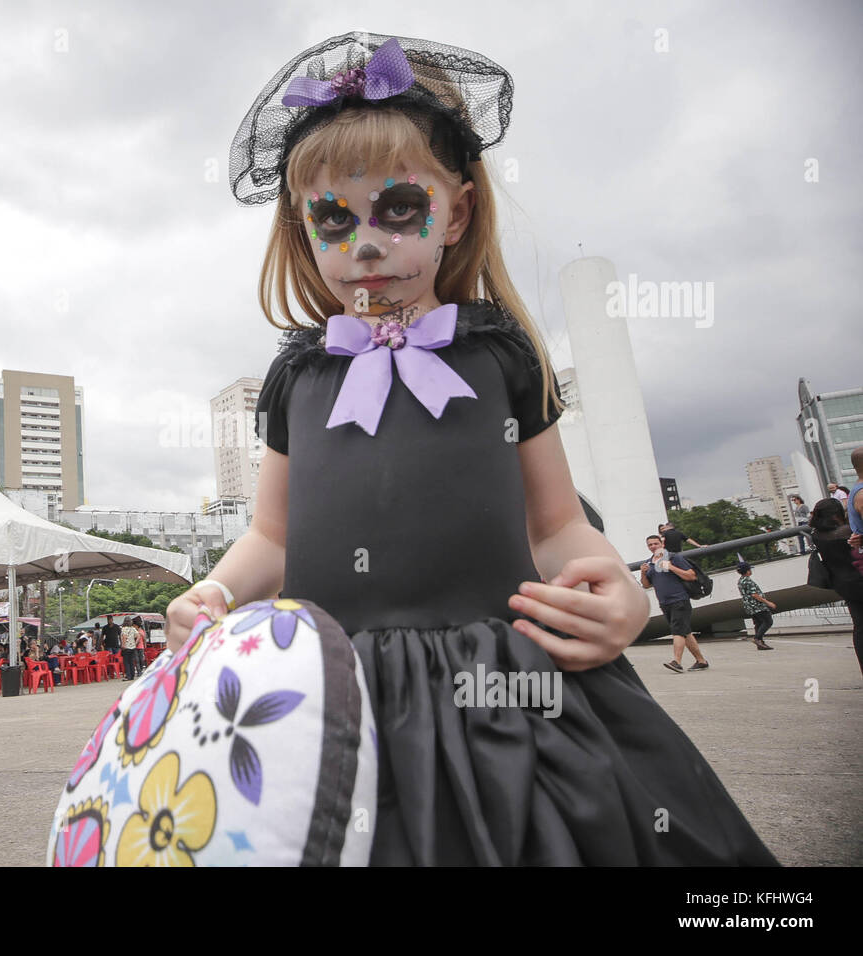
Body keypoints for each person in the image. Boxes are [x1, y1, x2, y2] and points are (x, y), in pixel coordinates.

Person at [159, 31, 777, 866]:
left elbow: (556, 523)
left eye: (399, 208)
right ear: (302, 229)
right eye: (332, 218)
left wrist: (623, 595)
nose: (366, 243)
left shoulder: (500, 356)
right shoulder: (297, 379)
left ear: (458, 210)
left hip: (508, 686)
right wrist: (212, 592)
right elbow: (271, 537)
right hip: (335, 697)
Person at [808, 497, 863, 673]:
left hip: (843, 585)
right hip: (859, 578)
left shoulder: (816, 535)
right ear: (836, 514)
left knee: (860, 627)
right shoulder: (847, 532)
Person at [640, 535, 708, 672]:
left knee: (677, 630)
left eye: (655, 543)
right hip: (664, 603)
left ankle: (676, 661)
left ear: (662, 544)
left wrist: (671, 567)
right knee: (685, 632)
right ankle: (701, 661)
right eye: (650, 545)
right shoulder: (649, 563)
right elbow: (646, 585)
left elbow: (691, 575)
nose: (653, 546)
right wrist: (643, 573)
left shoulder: (673, 557)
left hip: (679, 600)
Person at [736, 563, 776, 650]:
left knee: (758, 623)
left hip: (749, 606)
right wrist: (768, 603)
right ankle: (757, 638)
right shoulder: (748, 581)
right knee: (768, 621)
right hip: (757, 605)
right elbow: (754, 595)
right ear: (747, 571)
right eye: (750, 569)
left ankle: (760, 643)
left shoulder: (740, 581)